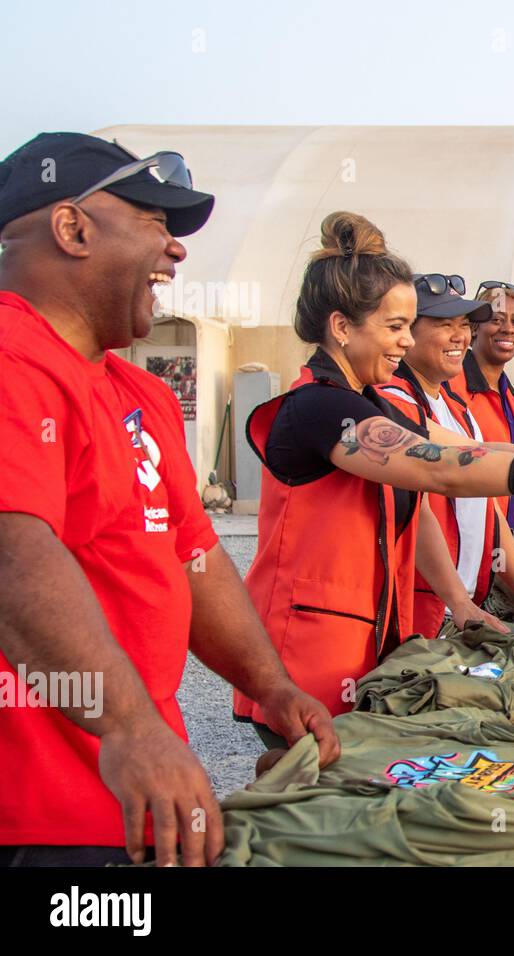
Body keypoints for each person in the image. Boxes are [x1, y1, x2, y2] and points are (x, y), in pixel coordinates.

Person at [0, 132, 340, 867]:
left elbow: (196, 555)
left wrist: (270, 686)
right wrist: (125, 724)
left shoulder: (141, 394)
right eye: (156, 222)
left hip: (139, 797)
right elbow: (13, 552)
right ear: (72, 228)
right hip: (33, 819)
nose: (177, 251)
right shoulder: (10, 358)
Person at [236, 215, 514, 744]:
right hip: (308, 662)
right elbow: (438, 469)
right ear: (341, 327)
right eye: (394, 327)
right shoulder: (318, 407)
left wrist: (460, 600)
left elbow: (458, 460)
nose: (405, 342)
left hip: (363, 650)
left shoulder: (366, 404)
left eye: (410, 326)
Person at [390, 273, 514, 634]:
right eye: (444, 324)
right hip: (415, 604)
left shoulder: (459, 409)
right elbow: (457, 471)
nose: (459, 334)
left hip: (461, 604)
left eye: (463, 323)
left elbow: (488, 504)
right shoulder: (393, 399)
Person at [447, 279, 514, 529]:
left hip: (510, 542)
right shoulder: (448, 389)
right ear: (474, 328)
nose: (508, 329)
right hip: (465, 545)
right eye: (496, 320)